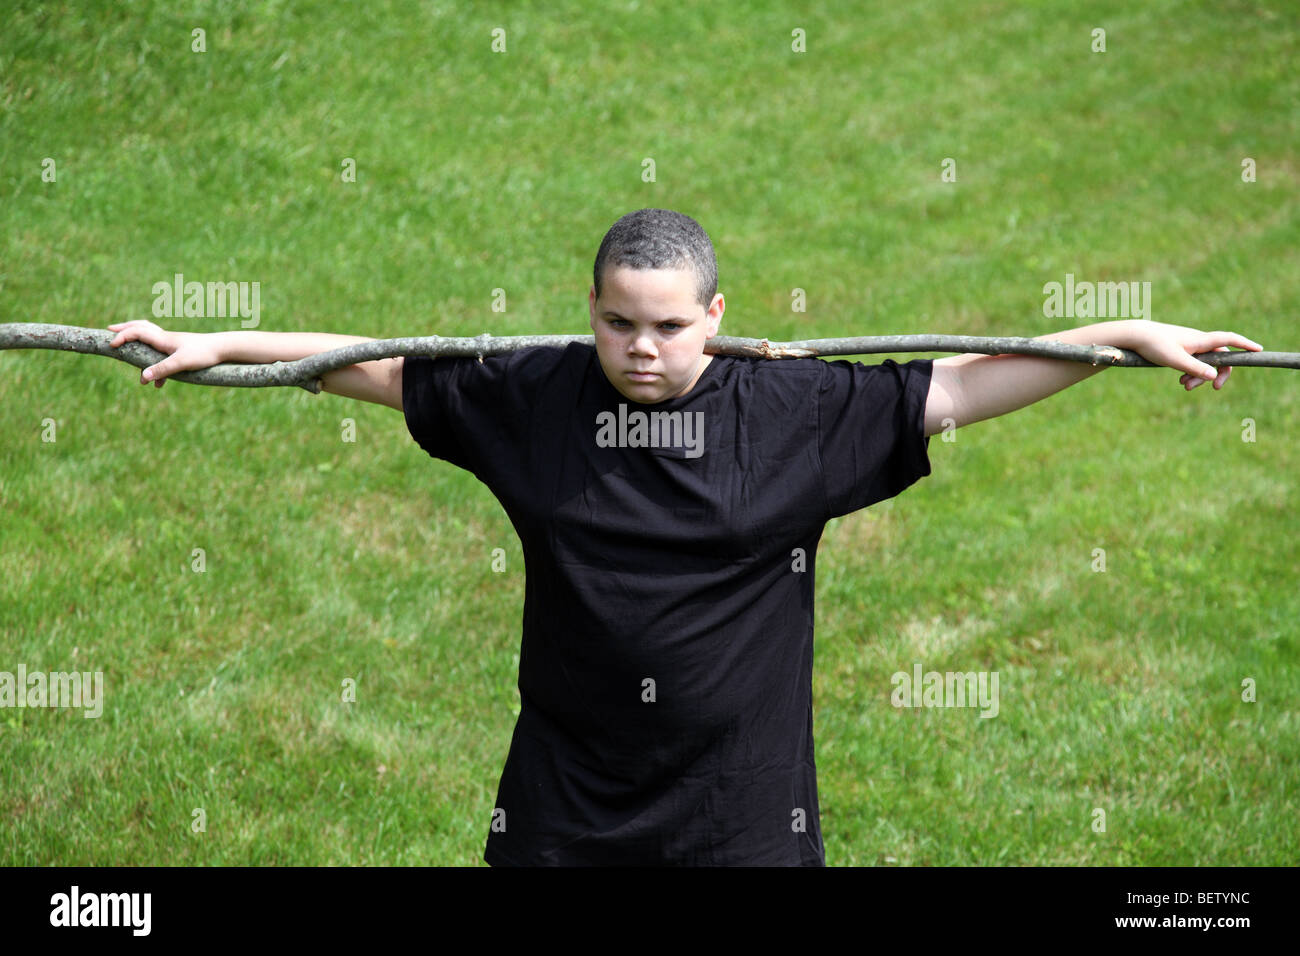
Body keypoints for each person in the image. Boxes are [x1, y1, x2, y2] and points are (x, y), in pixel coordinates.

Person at [107, 208, 1262, 866]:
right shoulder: (534, 399)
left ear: (717, 315)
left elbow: (961, 384)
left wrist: (1121, 331)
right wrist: (223, 343)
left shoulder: (793, 413)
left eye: (668, 325)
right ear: (590, 309)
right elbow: (375, 363)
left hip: (741, 815)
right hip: (563, 805)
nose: (641, 347)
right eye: (617, 322)